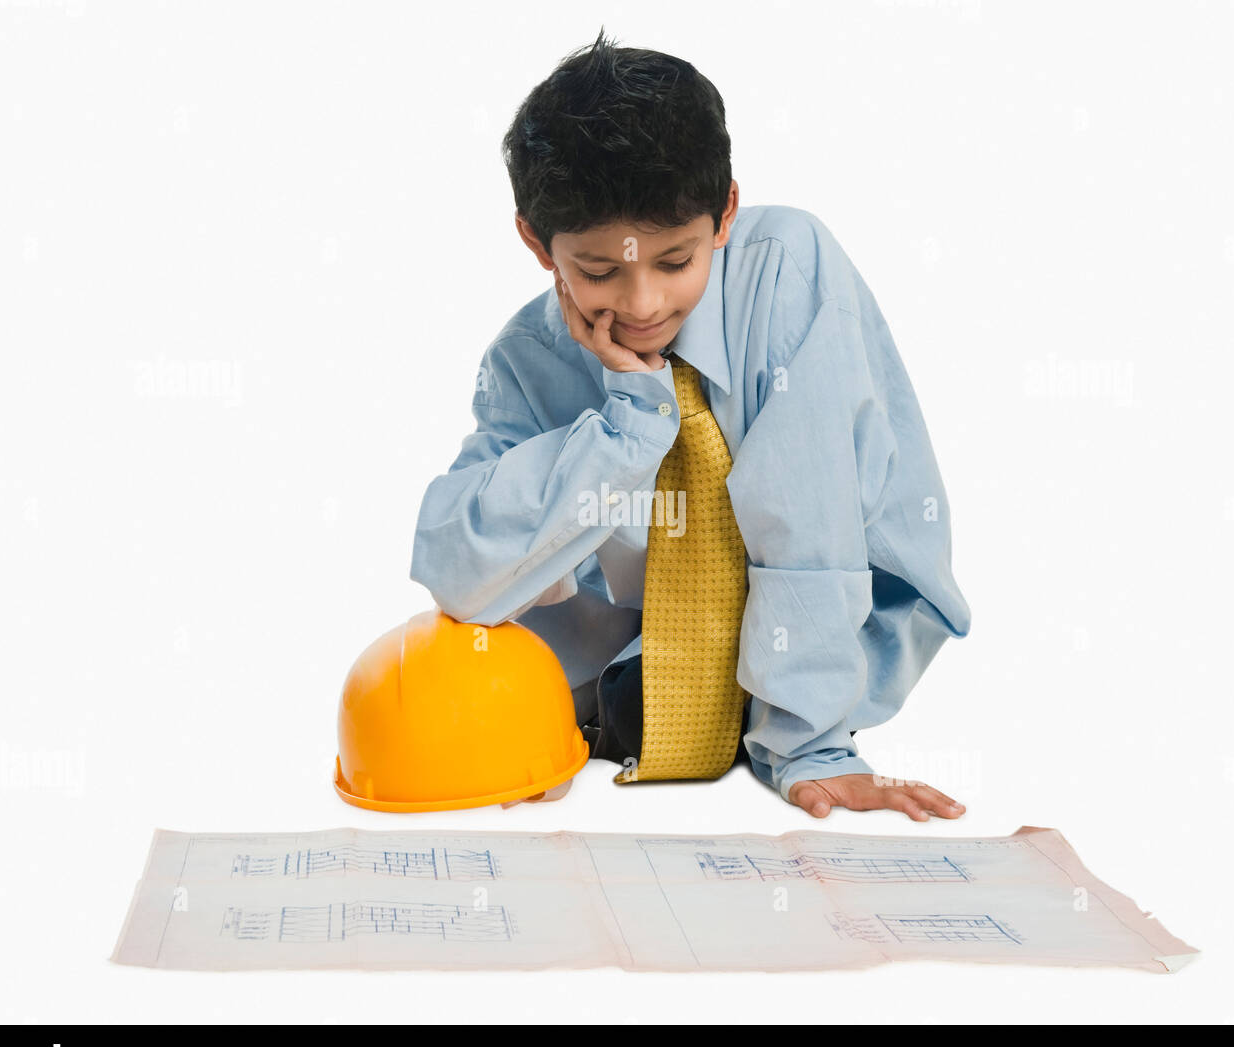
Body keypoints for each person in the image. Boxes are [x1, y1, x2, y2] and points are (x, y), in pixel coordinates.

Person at [410, 28, 971, 821]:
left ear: (726, 212)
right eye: (599, 271)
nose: (641, 306)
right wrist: (629, 421)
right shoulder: (525, 361)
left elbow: (807, 519)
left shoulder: (787, 267)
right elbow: (458, 566)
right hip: (622, 697)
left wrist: (808, 745)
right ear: (538, 244)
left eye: (676, 261)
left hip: (828, 658)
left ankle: (780, 720)